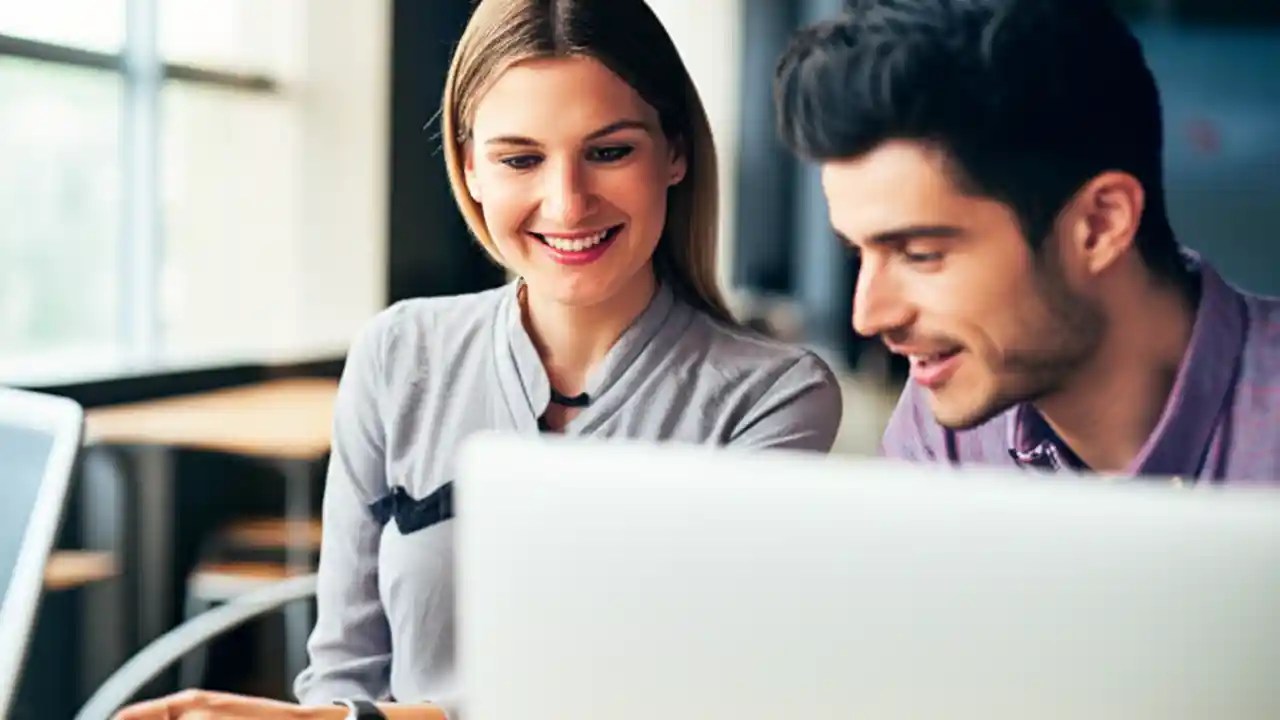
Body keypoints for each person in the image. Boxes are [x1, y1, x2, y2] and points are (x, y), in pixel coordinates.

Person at [117, 0, 842, 717]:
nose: (566, 204)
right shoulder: (397, 354)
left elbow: (685, 693)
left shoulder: (773, 398)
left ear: (675, 151)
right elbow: (344, 670)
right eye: (520, 159)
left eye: (610, 151)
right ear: (471, 168)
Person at [773, 0, 1280, 480]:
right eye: (858, 253)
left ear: (1100, 226)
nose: (869, 315)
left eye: (920, 254)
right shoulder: (947, 433)